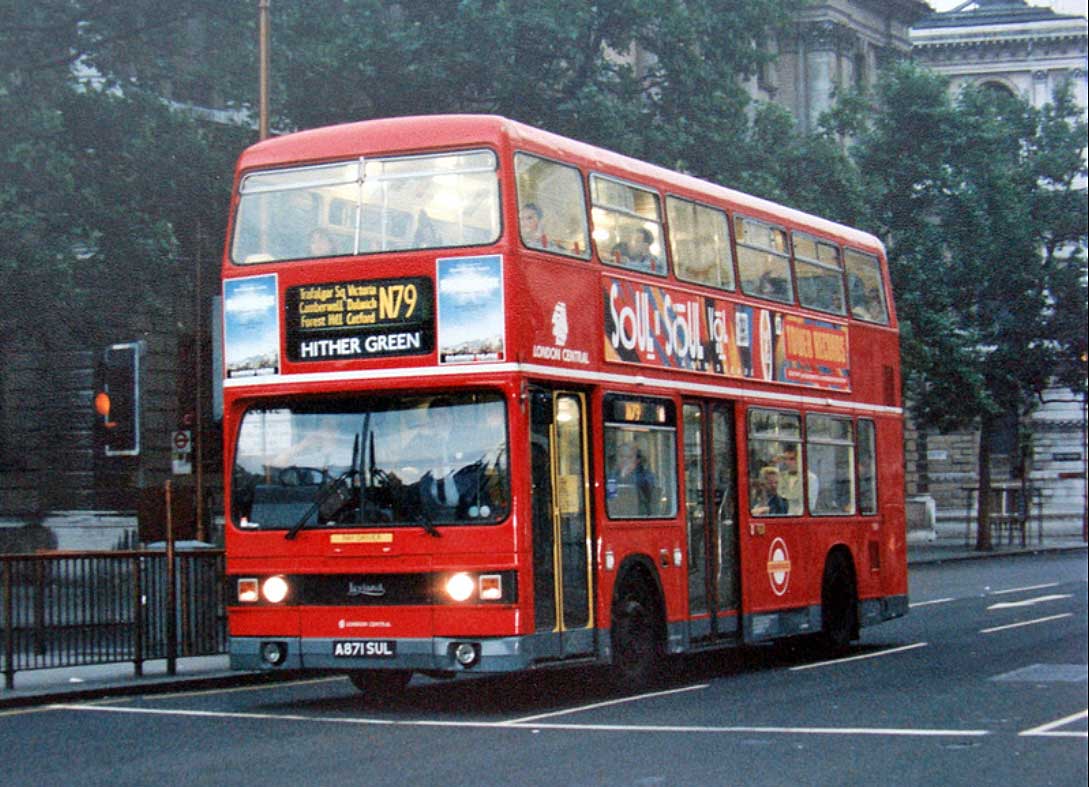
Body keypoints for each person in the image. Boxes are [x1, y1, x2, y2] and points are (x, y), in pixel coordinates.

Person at [610, 441, 657, 516]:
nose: (624, 460)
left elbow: (647, 489)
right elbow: (610, 496)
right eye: (621, 456)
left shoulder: (645, 475)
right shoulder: (612, 475)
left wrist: (624, 477)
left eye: (629, 457)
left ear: (637, 460)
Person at [779, 445, 818, 515]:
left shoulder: (810, 478)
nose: (787, 462)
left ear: (800, 459)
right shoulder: (783, 477)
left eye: (792, 459)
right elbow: (780, 495)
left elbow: (810, 505)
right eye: (785, 459)